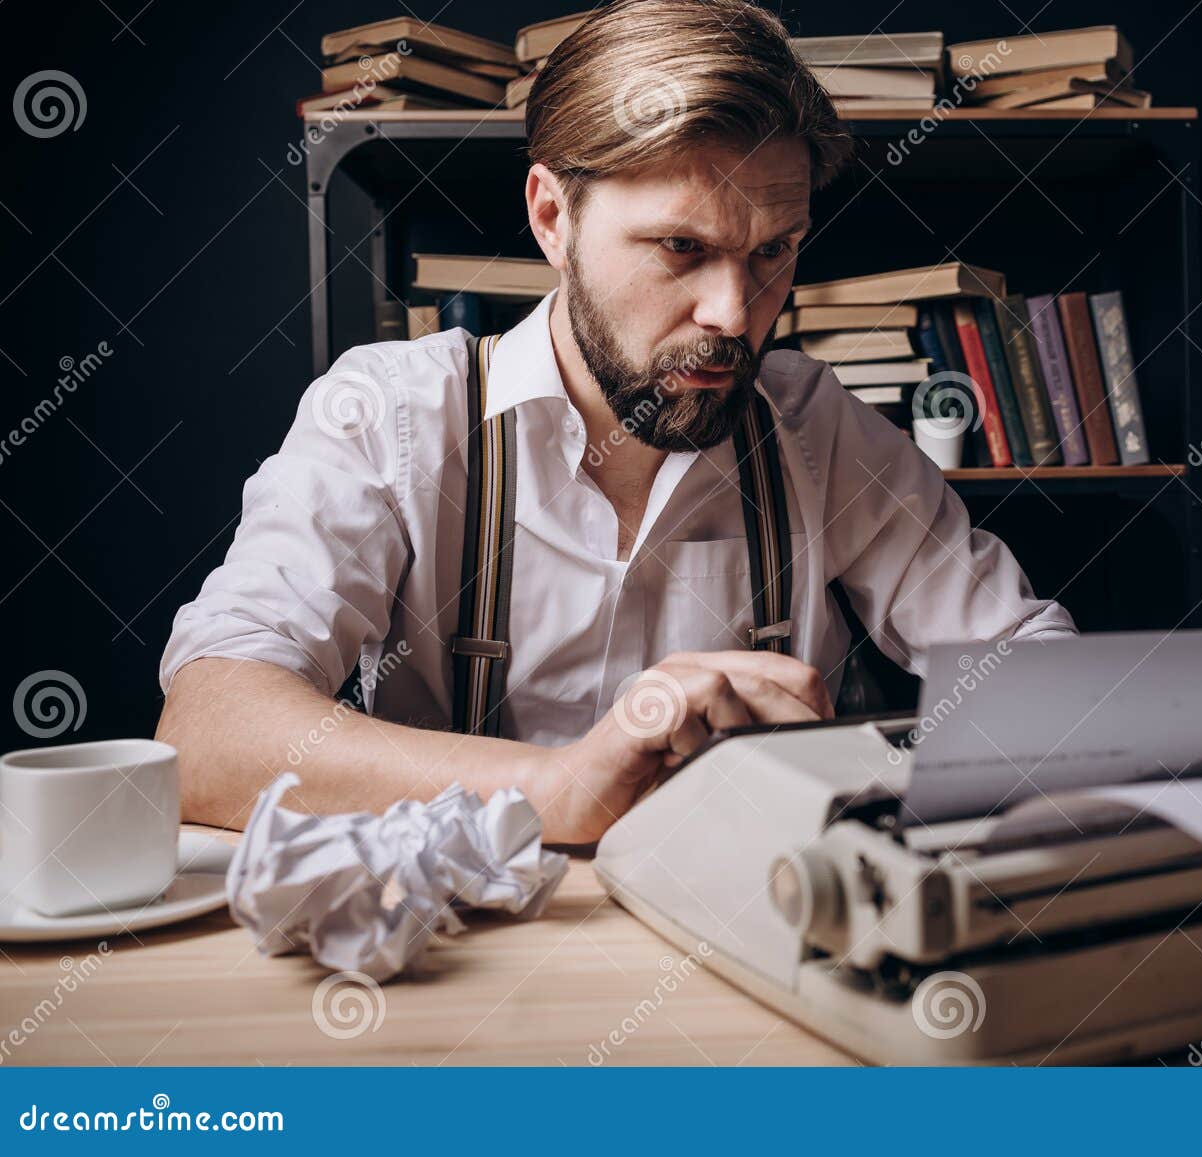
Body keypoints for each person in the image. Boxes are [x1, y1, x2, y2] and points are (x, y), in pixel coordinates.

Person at [156, 0, 1074, 843]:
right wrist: (558, 786)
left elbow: (1039, 674)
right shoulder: (390, 417)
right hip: (463, 962)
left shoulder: (817, 430)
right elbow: (208, 732)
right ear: (553, 216)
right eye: (683, 246)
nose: (733, 310)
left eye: (773, 251)